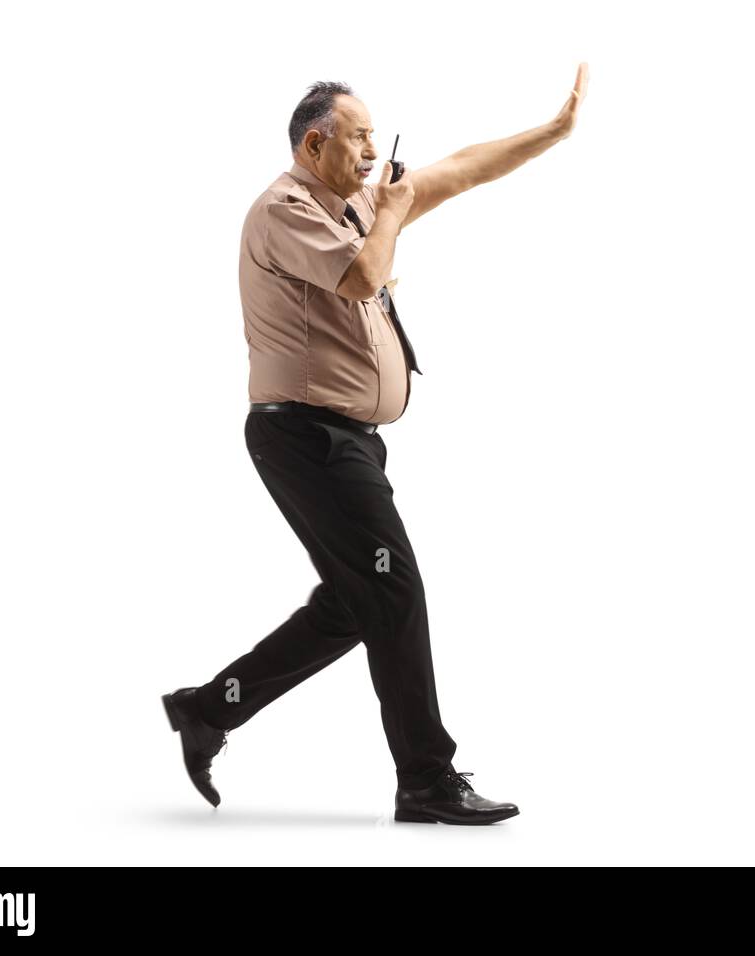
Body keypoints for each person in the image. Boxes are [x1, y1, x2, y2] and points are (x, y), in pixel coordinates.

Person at [161, 64, 589, 824]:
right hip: (304, 437)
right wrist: (389, 212)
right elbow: (363, 277)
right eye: (358, 137)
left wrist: (549, 132)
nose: (371, 150)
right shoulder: (285, 208)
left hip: (345, 441)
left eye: (372, 137)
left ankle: (209, 709)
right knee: (395, 589)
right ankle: (427, 778)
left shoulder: (358, 197)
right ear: (315, 142)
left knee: (356, 604)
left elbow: (457, 171)